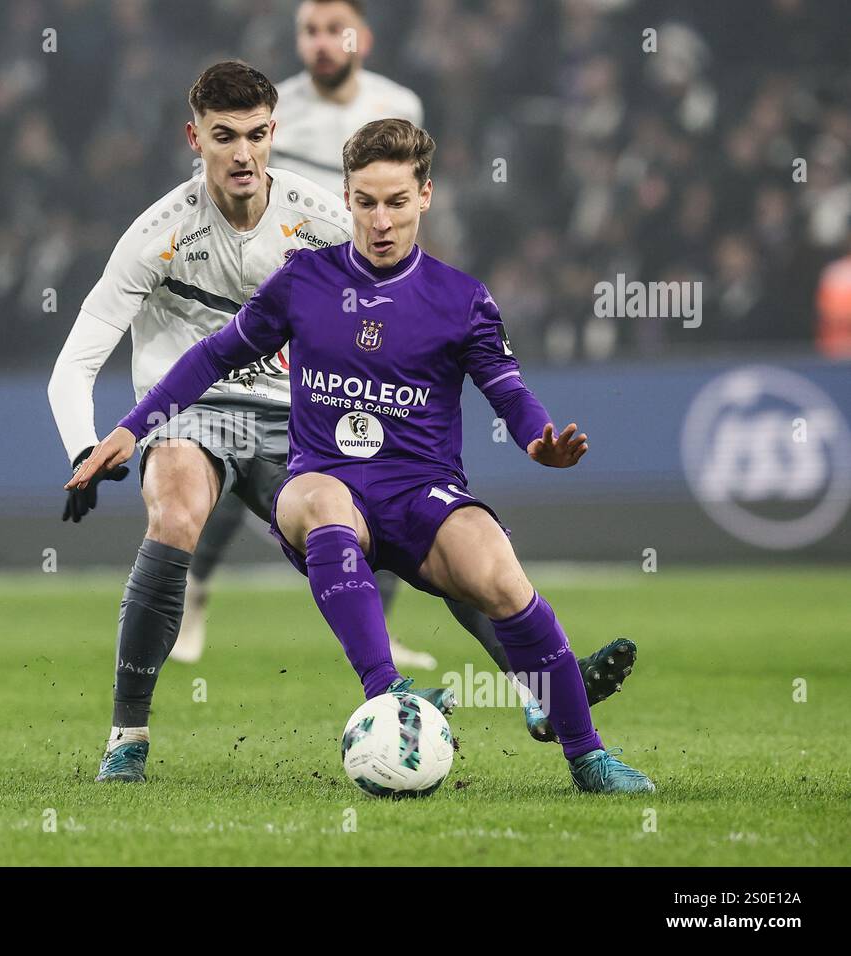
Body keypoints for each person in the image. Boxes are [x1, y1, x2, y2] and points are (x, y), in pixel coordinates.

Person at [70, 118, 654, 793]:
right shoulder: (304, 281)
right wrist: (132, 427)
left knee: (496, 568)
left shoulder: (461, 300)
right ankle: (390, 692)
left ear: (426, 196)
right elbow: (212, 356)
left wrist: (538, 441)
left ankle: (588, 757)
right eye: (367, 202)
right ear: (346, 198)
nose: (381, 220)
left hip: (421, 494)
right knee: (320, 501)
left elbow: (508, 391)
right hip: (323, 481)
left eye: (397, 202)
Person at [177, 0, 430, 668]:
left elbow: (406, 195)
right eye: (309, 32)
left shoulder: (397, 103)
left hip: (368, 302)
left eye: (333, 30)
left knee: (394, 456)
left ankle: (381, 624)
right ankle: (194, 596)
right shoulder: (275, 112)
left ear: (362, 38)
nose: (321, 43)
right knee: (248, 443)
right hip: (290, 303)